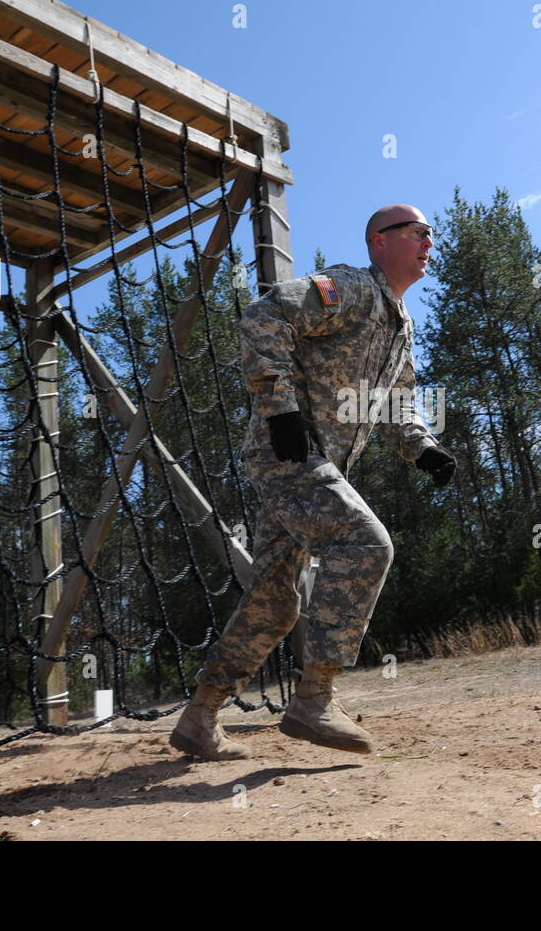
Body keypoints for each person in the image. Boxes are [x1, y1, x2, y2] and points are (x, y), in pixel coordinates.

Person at [169, 204, 456, 760]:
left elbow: (400, 401)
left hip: (317, 466)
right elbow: (263, 315)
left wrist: (423, 449)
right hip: (290, 456)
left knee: (274, 602)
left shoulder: (400, 323)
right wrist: (279, 409)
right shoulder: (350, 288)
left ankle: (200, 716)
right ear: (379, 241)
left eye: (430, 234)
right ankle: (314, 699)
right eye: (417, 232)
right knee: (366, 543)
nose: (428, 242)